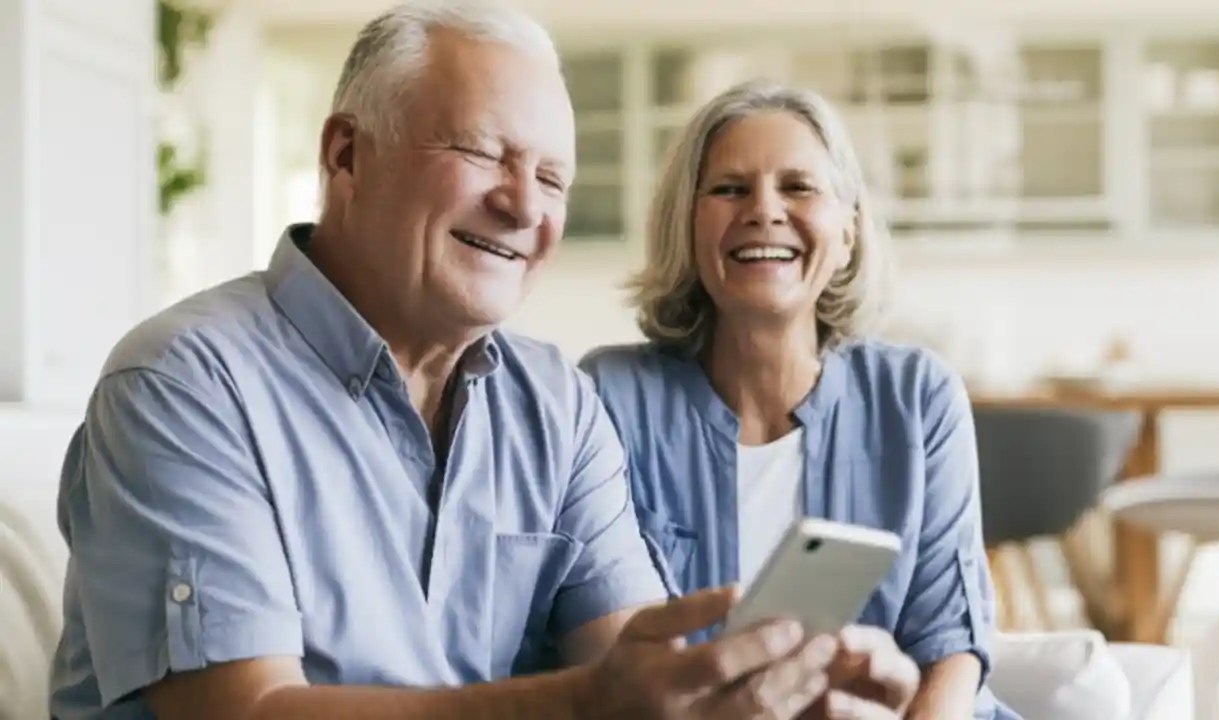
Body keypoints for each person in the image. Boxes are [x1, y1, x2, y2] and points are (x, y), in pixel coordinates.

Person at [48, 4, 919, 720]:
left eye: (553, 179)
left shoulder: (558, 406)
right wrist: (586, 704)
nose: (521, 205)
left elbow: (633, 671)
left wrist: (760, 694)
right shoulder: (184, 382)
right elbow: (245, 712)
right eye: (481, 153)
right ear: (346, 155)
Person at [581, 81, 1022, 719]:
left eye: (798, 187)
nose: (764, 210)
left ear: (847, 231)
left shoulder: (917, 397)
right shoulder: (609, 399)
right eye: (729, 188)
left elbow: (950, 642)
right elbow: (604, 652)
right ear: (687, 224)